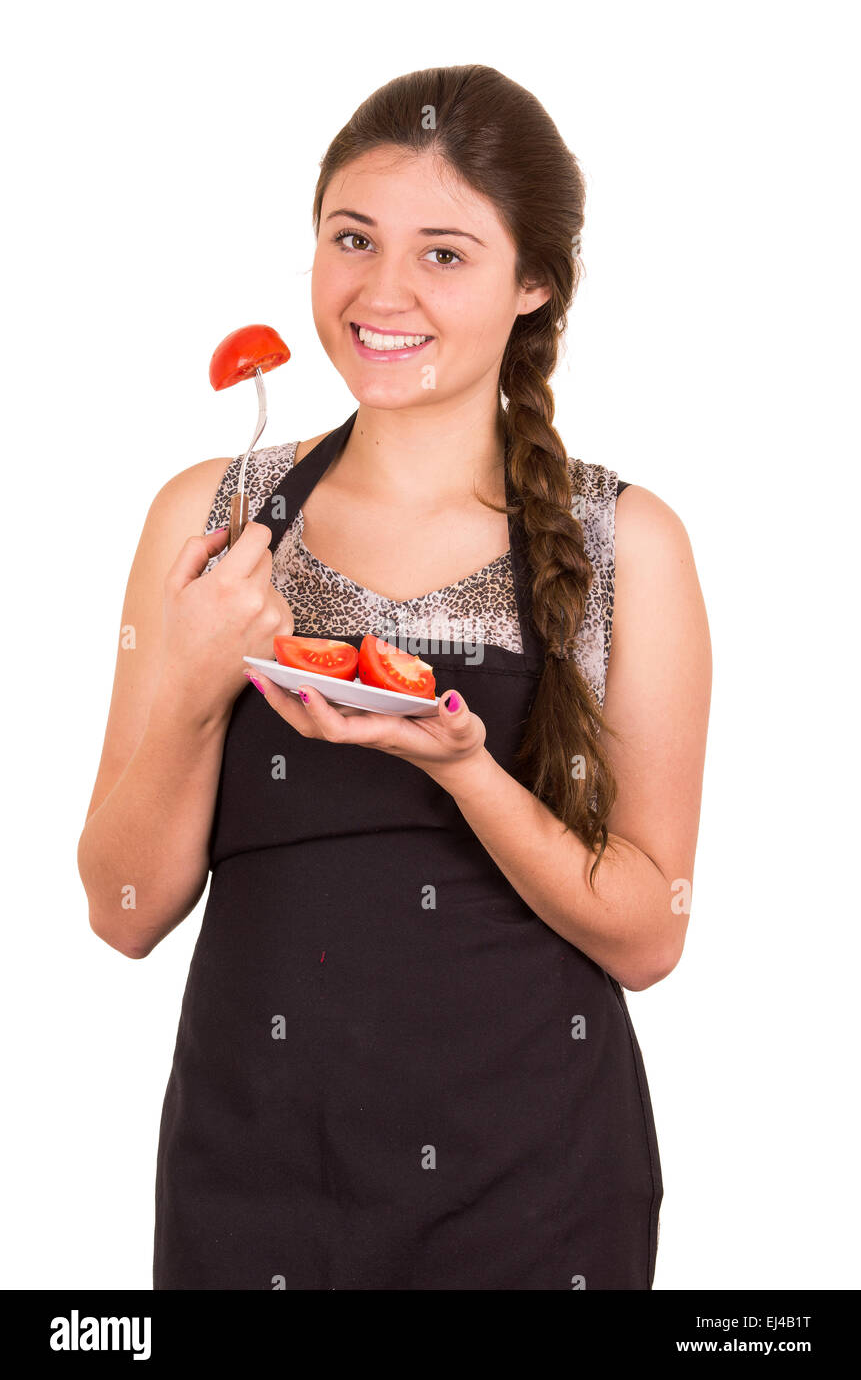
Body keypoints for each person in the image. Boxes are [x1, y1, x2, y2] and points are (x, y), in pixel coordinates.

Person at [77, 64, 711, 1291]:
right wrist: (200, 680)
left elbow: (648, 936)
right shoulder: (203, 522)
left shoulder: (630, 544)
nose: (383, 292)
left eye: (446, 254)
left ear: (535, 285)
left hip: (538, 1187)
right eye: (353, 239)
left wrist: (470, 772)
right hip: (250, 1172)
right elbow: (121, 909)